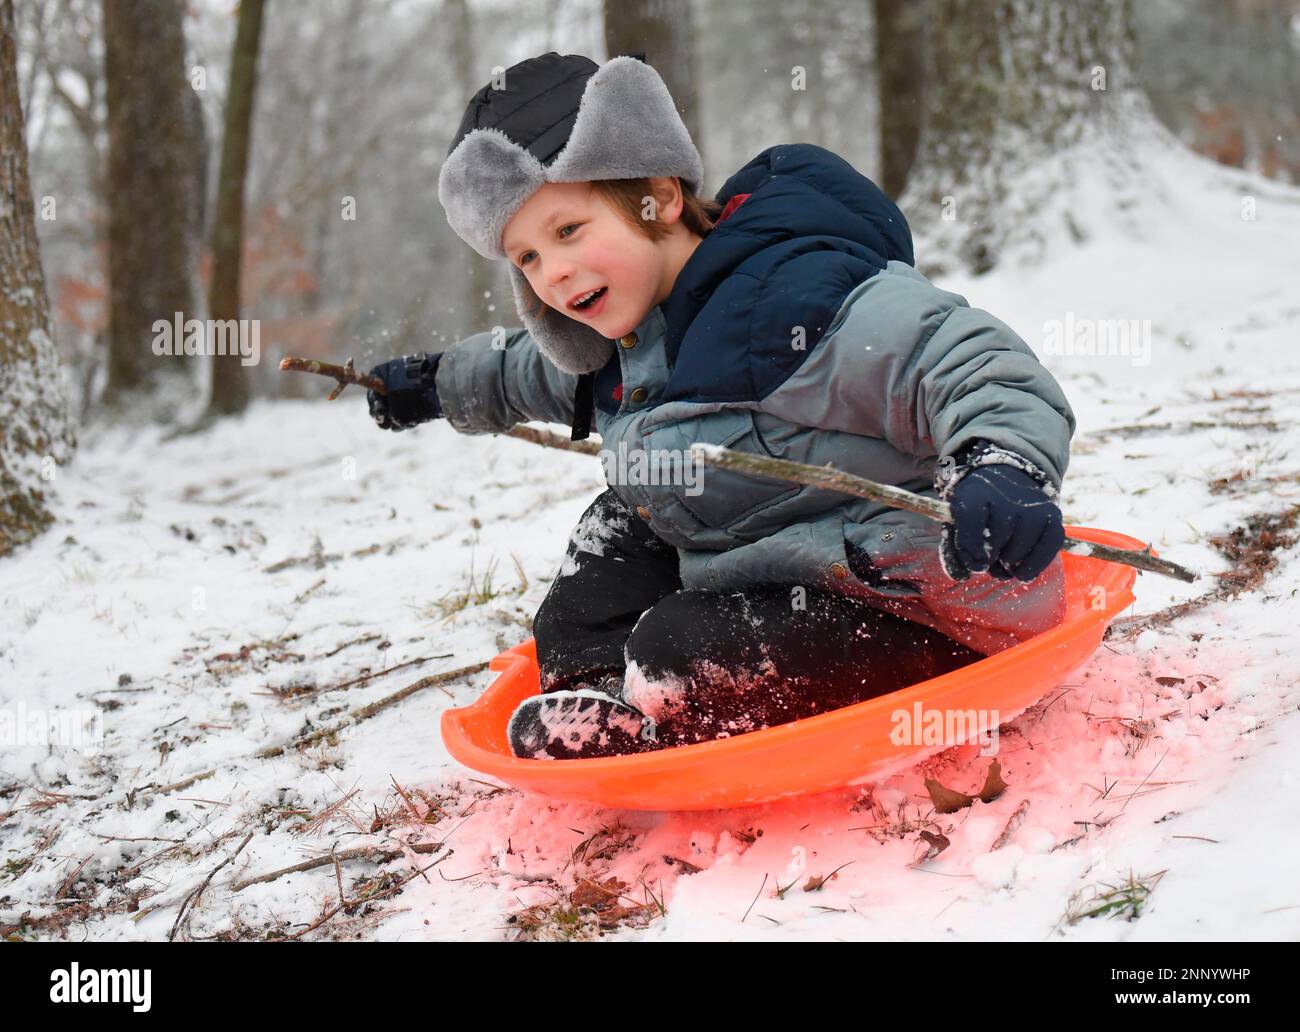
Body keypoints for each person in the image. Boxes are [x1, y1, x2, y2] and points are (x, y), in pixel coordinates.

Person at [367, 52, 1075, 760]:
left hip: (919, 599)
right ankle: (592, 698)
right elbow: (528, 372)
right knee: (617, 525)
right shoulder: (626, 336)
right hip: (777, 572)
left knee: (678, 647)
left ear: (659, 197)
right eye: (525, 258)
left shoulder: (794, 299)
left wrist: (1002, 465)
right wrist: (436, 383)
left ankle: (661, 702)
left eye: (569, 231)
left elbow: (962, 359)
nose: (552, 272)